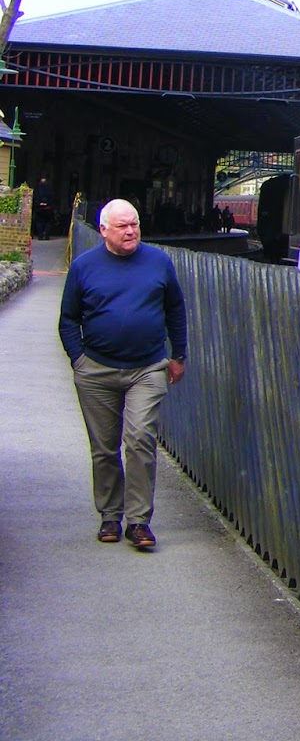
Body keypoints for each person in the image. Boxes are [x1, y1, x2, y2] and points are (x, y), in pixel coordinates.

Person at [58, 198, 187, 551]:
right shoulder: (85, 267)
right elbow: (69, 318)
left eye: (135, 224)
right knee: (104, 448)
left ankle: (139, 522)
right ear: (103, 231)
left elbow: (175, 308)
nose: (131, 231)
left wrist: (178, 354)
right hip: (96, 370)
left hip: (146, 368)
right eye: (122, 226)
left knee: (140, 439)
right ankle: (110, 516)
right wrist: (78, 360)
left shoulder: (159, 262)